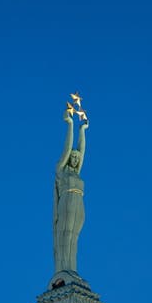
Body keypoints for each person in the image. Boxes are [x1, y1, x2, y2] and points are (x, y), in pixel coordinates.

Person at [54, 109, 88, 275]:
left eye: (76, 158)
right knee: (65, 235)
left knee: (75, 238)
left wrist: (83, 131)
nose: (75, 159)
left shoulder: (77, 174)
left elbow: (82, 150)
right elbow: (69, 149)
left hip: (78, 203)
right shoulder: (62, 172)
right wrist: (71, 124)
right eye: (72, 157)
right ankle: (63, 268)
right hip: (67, 201)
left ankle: (72, 268)